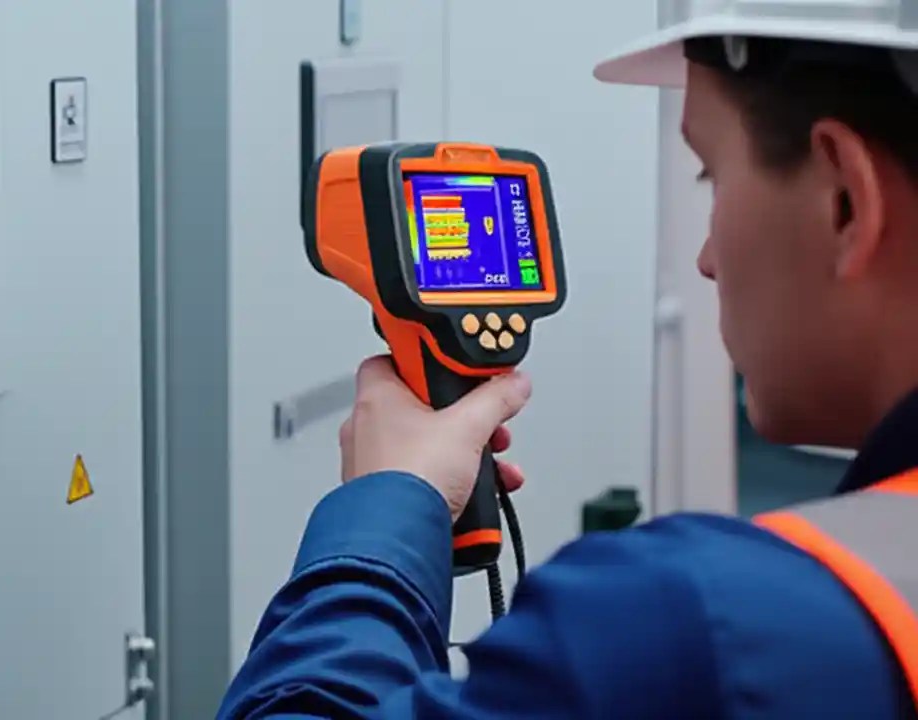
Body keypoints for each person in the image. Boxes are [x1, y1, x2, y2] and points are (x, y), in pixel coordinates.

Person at [216, 2, 918, 718]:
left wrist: (386, 505)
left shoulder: (687, 628)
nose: (706, 261)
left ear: (844, 202)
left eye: (710, 174)